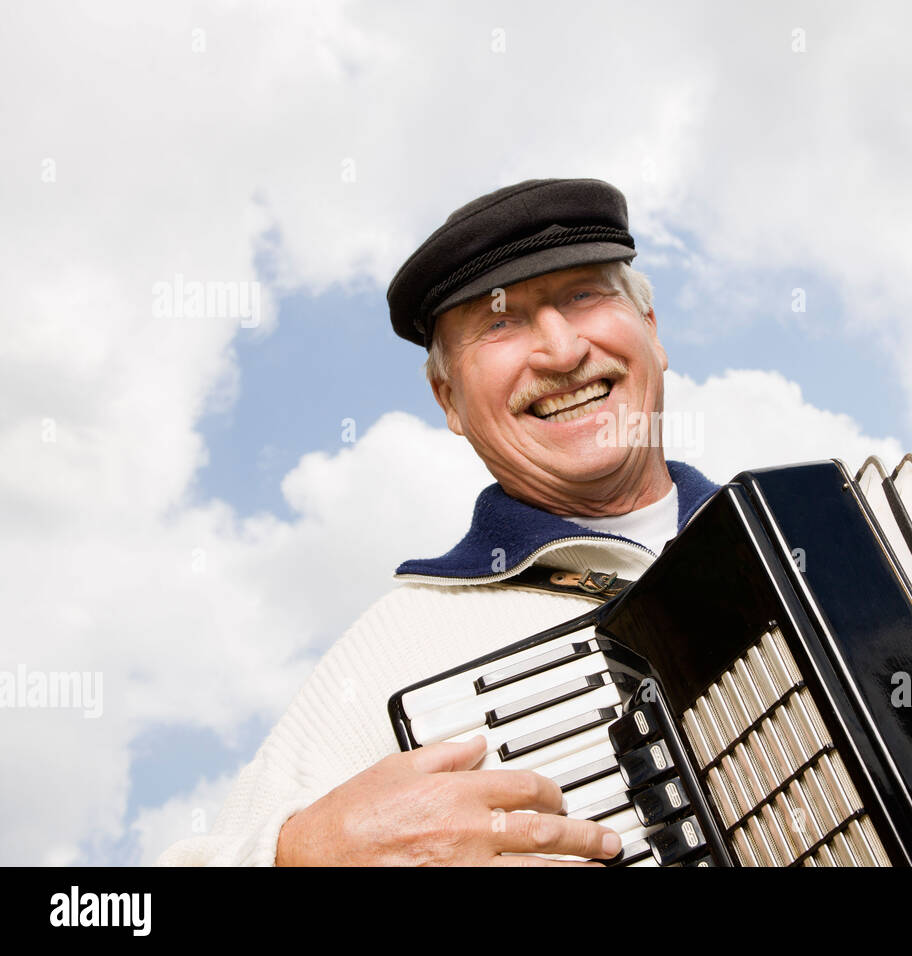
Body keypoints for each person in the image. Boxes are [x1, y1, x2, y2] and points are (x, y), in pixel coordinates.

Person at [157, 178, 719, 866]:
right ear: (447, 399)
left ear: (652, 333)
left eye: (583, 295)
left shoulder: (836, 540)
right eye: (501, 323)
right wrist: (305, 854)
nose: (562, 351)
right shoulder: (396, 645)